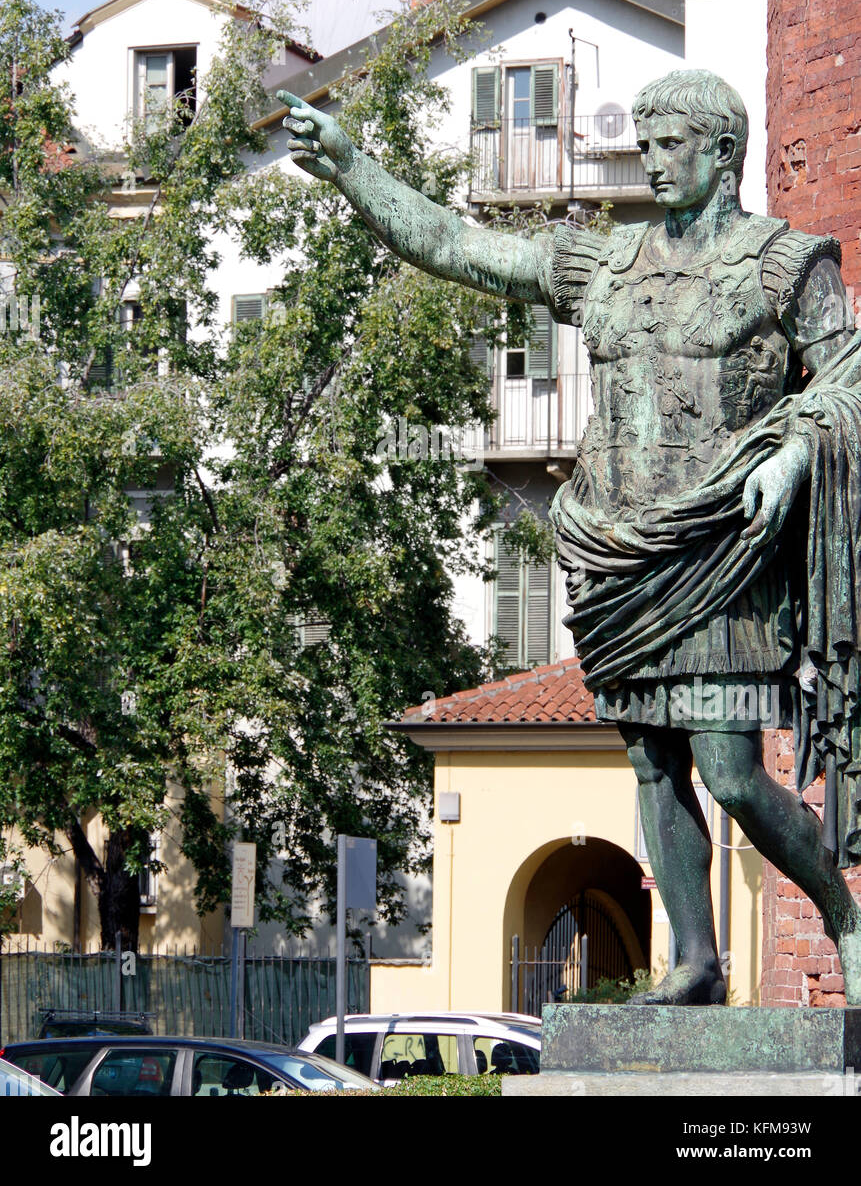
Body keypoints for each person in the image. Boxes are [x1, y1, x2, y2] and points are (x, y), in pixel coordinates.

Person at [276, 68, 861, 1004]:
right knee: (649, 760)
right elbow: (455, 244)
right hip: (612, 548)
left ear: (722, 152)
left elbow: (849, 377)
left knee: (734, 774)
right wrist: (352, 168)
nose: (652, 161)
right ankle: (697, 961)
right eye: (646, 143)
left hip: (716, 546)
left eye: (671, 145)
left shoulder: (781, 263)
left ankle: (842, 914)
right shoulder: (605, 263)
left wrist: (792, 455)